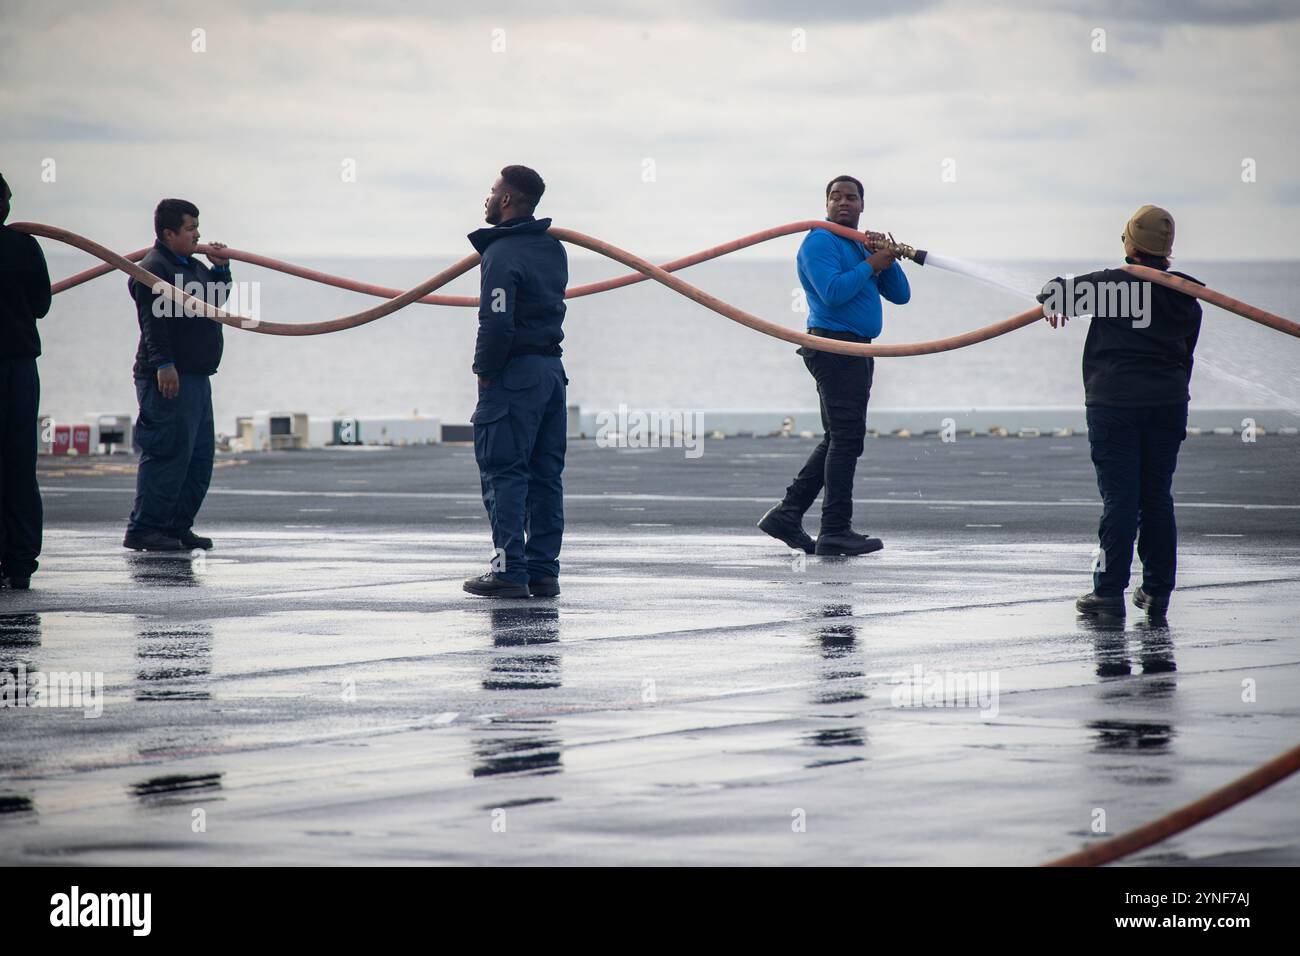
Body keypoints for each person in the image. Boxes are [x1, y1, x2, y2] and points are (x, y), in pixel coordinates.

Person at [1038, 204, 1202, 616]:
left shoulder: (1112, 285)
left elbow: (1051, 291)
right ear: (1167, 249)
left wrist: (1055, 303)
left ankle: (1108, 592)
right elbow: (1187, 353)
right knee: (1156, 496)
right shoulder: (1188, 295)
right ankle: (1158, 589)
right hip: (1168, 403)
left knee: (1120, 499)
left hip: (1116, 403)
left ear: (1130, 243)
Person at [759, 175, 910, 556]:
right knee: (847, 438)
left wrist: (884, 259)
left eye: (851, 197)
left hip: (857, 350)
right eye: (835, 197)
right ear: (826, 204)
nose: (843, 203)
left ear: (862, 206)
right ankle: (835, 529)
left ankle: (788, 514)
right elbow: (833, 292)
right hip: (832, 347)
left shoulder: (861, 246)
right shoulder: (819, 241)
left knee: (839, 437)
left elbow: (901, 295)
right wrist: (871, 264)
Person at [462, 166, 569, 599]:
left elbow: (497, 321)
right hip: (551, 375)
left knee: (504, 472)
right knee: (546, 476)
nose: (486, 199)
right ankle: (543, 571)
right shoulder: (553, 249)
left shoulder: (501, 254)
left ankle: (508, 570)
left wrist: (484, 372)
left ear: (507, 200)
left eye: (492, 191)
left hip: (516, 376)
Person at [124, 199, 230, 552]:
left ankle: (175, 526)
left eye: (197, 227)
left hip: (198, 378)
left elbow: (216, 303)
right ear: (169, 233)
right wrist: (163, 364)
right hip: (169, 377)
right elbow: (153, 324)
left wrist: (220, 270)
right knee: (168, 453)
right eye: (190, 228)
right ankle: (145, 529)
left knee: (198, 459)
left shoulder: (194, 266)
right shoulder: (151, 269)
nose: (198, 234)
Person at [0, 172, 52, 590]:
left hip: (16, 363)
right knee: (19, 464)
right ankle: (19, 562)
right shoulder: (23, 246)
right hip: (18, 366)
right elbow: (41, 304)